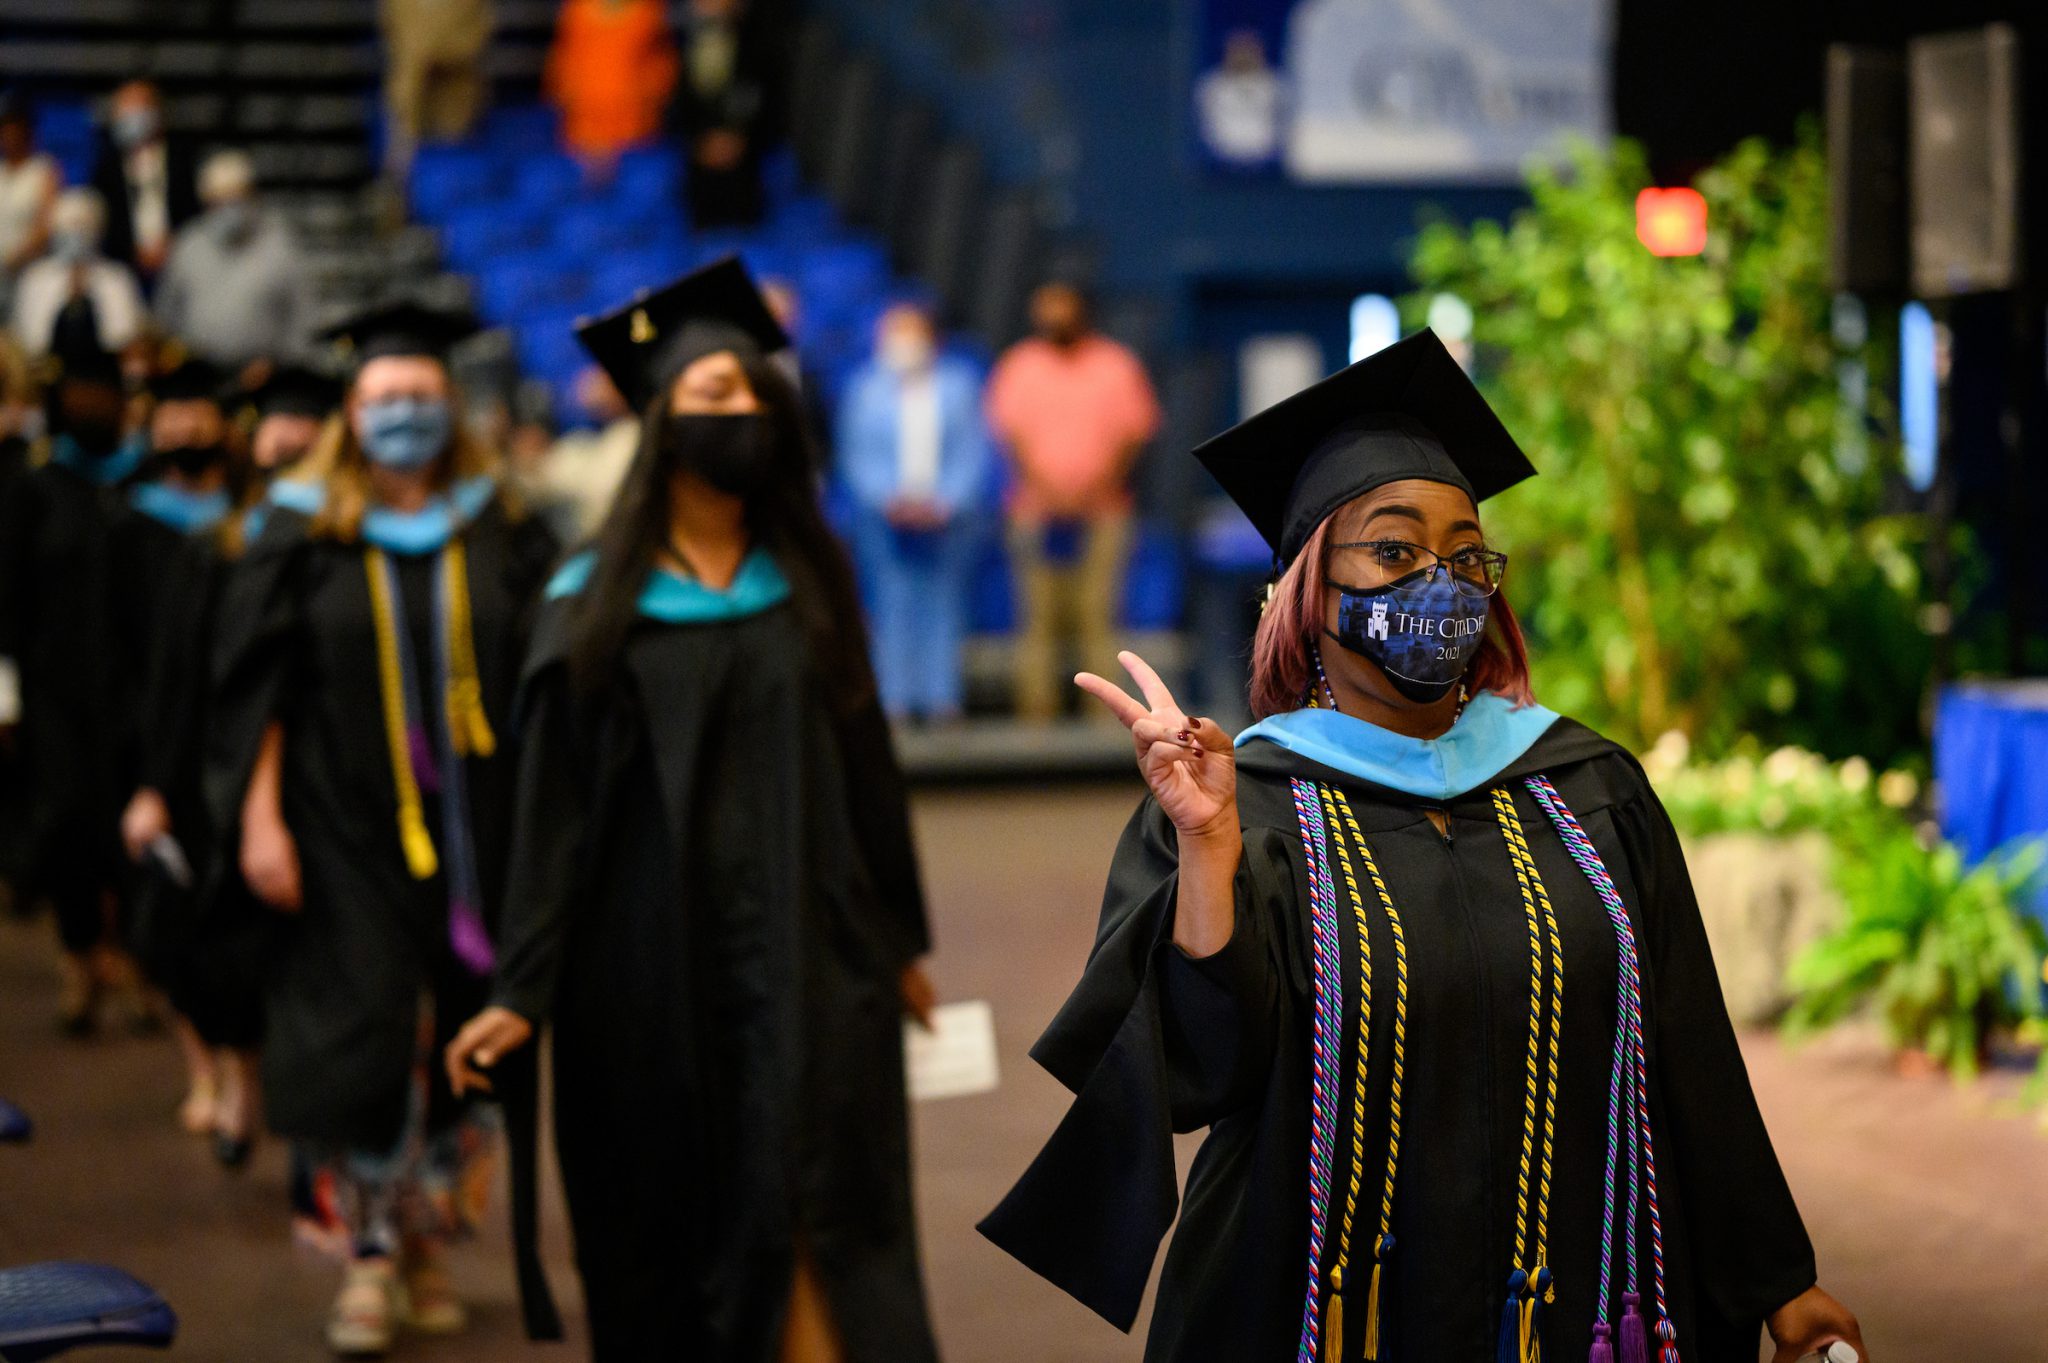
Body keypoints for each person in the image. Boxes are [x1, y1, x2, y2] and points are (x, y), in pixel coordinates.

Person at [979, 329, 1869, 1363]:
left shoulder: (1587, 787)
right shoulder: (1248, 801)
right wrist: (1210, 851)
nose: (1437, 582)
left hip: (1573, 1305)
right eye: (1393, 551)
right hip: (1326, 1316)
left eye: (1462, 554)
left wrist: (1778, 1277)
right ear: (1309, 595)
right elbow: (1194, 1076)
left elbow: (1687, 1051)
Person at [441, 257, 940, 1362]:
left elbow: (867, 772)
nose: (742, 412)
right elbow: (551, 815)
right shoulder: (589, 608)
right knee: (679, 1226)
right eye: (712, 394)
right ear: (661, 422)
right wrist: (522, 986)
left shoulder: (811, 581)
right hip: (648, 976)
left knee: (820, 1205)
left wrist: (897, 941)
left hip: (811, 953)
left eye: (754, 392)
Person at [204, 300, 556, 1355]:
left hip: (477, 832)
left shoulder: (502, 520)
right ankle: (364, 1254)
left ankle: (429, 1241)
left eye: (419, 395)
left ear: (451, 406)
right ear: (348, 415)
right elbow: (252, 687)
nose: (401, 411)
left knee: (462, 1028)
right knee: (363, 1033)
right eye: (381, 397)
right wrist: (259, 818)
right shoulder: (302, 528)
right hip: (337, 821)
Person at [112, 358, 263, 1162]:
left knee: (233, 929)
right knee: (166, 925)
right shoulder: (131, 522)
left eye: (200, 415)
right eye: (171, 416)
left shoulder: (253, 525)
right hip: (154, 745)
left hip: (232, 749)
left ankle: (242, 1072)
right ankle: (203, 1069)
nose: (185, 429)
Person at [0, 343, 147, 1032]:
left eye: (102, 393)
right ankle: (80, 958)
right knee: (67, 825)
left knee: (134, 826)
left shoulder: (139, 484)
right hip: (56, 692)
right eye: (78, 394)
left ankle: (137, 961)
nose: (90, 406)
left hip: (133, 692)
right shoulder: (34, 487)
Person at [984, 280, 1160, 721]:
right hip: (1033, 514)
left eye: (1062, 307)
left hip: (1103, 513)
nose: (1053, 317)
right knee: (1037, 619)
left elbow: (1134, 435)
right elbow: (1011, 438)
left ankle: (1108, 726)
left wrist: (1093, 488)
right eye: (1045, 308)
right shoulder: (1020, 365)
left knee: (1098, 617)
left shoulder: (1115, 364)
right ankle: (1037, 726)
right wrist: (1048, 489)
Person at [837, 301, 991, 723]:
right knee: (891, 604)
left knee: (943, 603)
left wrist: (947, 501)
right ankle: (895, 701)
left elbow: (972, 451)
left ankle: (942, 699)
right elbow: (856, 456)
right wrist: (888, 499)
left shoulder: (958, 387)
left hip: (945, 522)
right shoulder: (864, 390)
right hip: (885, 522)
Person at [155, 151, 314, 377]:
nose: (228, 209)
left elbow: (302, 319)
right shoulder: (188, 245)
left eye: (236, 197)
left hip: (263, 376)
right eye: (219, 201)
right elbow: (166, 315)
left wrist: (278, 367)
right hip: (198, 375)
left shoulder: (280, 246)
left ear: (253, 196)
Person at [670, 0, 776, 228]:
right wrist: (699, 139)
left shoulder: (759, 46)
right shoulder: (677, 42)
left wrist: (739, 138)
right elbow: (679, 103)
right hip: (696, 168)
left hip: (744, 170)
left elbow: (766, 100)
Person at [10, 188, 147, 357]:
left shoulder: (118, 278)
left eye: (85, 225)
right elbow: (29, 342)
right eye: (70, 224)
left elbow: (127, 339)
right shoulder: (34, 279)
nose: (78, 234)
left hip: (105, 374)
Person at [546, 0, 677, 172]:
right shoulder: (576, 11)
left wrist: (649, 101)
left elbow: (662, 66)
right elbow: (564, 62)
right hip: (583, 122)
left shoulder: (650, 12)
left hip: (636, 125)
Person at [89, 80, 199, 282]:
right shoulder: (107, 167)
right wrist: (134, 252)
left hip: (180, 266)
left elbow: (194, 212)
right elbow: (104, 220)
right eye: (122, 111)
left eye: (135, 110)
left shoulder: (183, 159)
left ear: (156, 112)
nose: (125, 117)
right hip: (125, 272)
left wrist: (174, 247)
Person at [380, 0, 494, 176]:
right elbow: (393, 30)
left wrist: (433, 50)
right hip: (412, 87)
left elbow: (477, 34)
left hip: (456, 92)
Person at [0, 92, 61, 318]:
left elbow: (47, 227)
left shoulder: (43, 169)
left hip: (29, 271)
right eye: (5, 128)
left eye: (15, 127)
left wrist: (13, 258)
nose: (10, 134)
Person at [245, 364, 344, 478]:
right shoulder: (341, 418)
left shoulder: (252, 381)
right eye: (289, 451)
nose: (290, 440)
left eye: (281, 447)